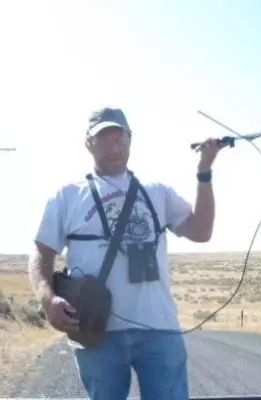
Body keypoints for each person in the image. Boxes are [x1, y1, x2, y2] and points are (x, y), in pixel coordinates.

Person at [28, 107, 221, 400]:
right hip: (96, 331)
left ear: (131, 141)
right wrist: (47, 297)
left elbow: (201, 231)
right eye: (105, 137)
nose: (115, 145)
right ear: (88, 143)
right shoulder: (66, 197)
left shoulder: (158, 193)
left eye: (121, 137)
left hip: (159, 330)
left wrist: (204, 172)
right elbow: (41, 254)